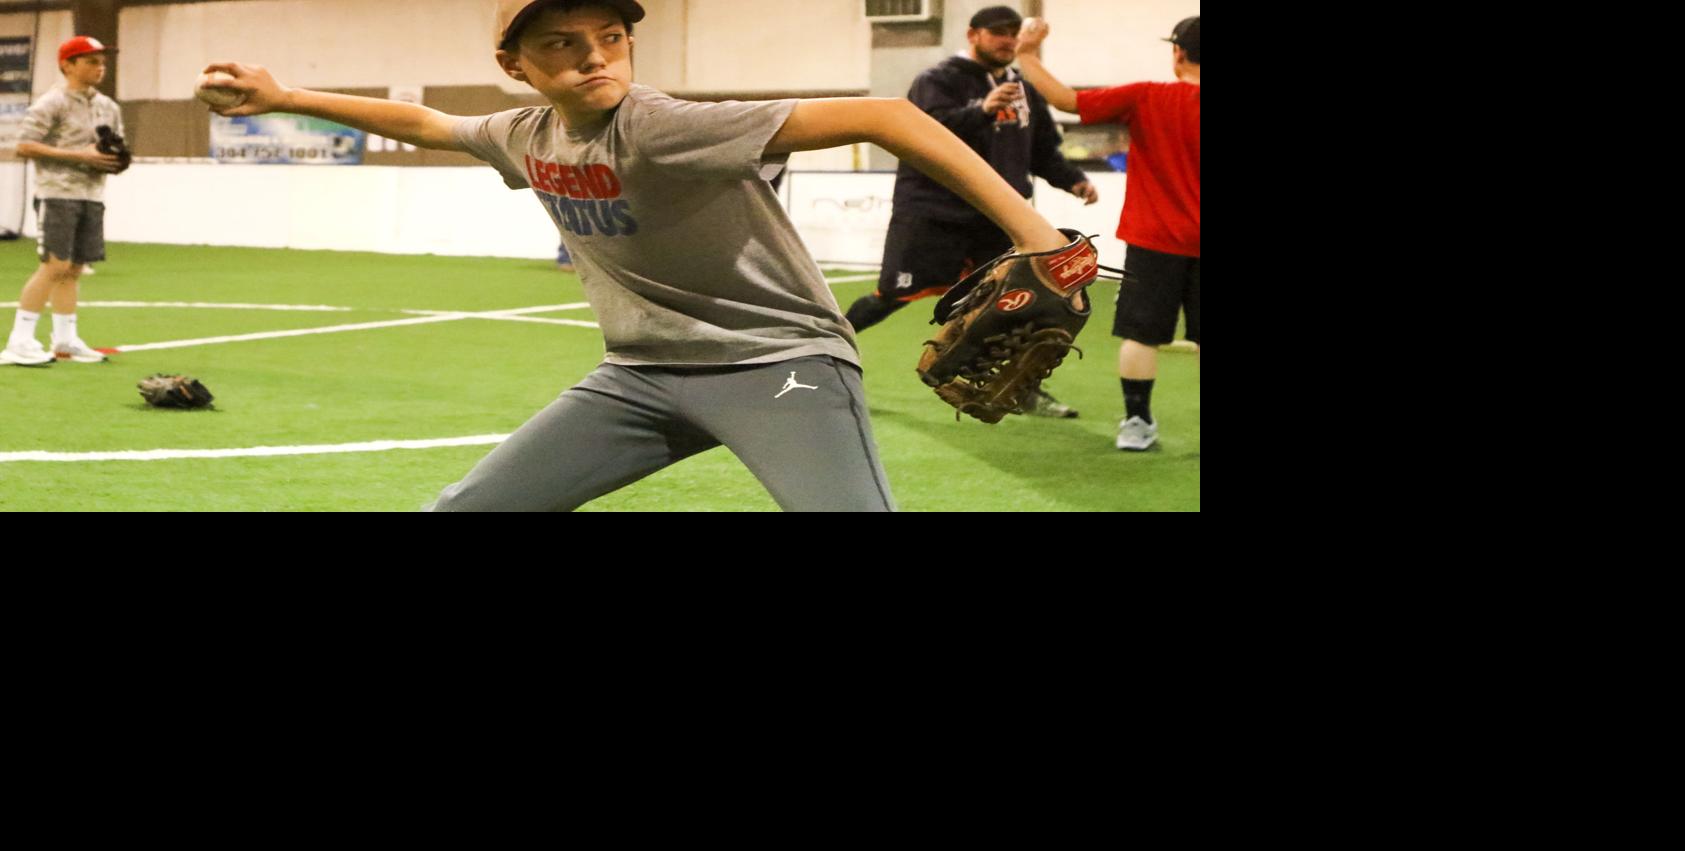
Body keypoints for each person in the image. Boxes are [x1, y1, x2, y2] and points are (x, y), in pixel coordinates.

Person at [200, 0, 1074, 511]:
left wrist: (1035, 235)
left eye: (609, 37)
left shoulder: (661, 127)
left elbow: (887, 116)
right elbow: (429, 123)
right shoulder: (524, 133)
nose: (592, 56)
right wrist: (284, 96)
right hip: (640, 375)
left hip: (779, 367)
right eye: (560, 44)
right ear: (512, 64)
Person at [844, 4, 1097, 419]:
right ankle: (816, 352)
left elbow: (1042, 151)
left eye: (1013, 32)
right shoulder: (938, 80)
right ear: (973, 35)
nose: (1007, 39)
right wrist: (980, 110)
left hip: (997, 220)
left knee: (1013, 302)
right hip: (933, 213)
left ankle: (1024, 390)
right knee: (890, 295)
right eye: (997, 31)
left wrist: (1072, 179)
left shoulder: (1023, 89)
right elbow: (920, 136)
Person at [1016, 15, 1199, 452]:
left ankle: (1137, 422)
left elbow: (1064, 100)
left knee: (1141, 335)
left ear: (1177, 52)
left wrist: (1026, 52)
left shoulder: (1147, 97)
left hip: (1154, 239)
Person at [3, 36, 123, 367]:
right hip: (57, 193)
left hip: (91, 194)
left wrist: (116, 158)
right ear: (67, 65)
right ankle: (20, 340)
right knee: (54, 265)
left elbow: (113, 146)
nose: (100, 66)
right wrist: (79, 156)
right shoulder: (50, 102)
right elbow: (24, 145)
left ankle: (65, 339)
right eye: (90, 60)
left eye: (102, 60)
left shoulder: (108, 107)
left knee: (73, 269)